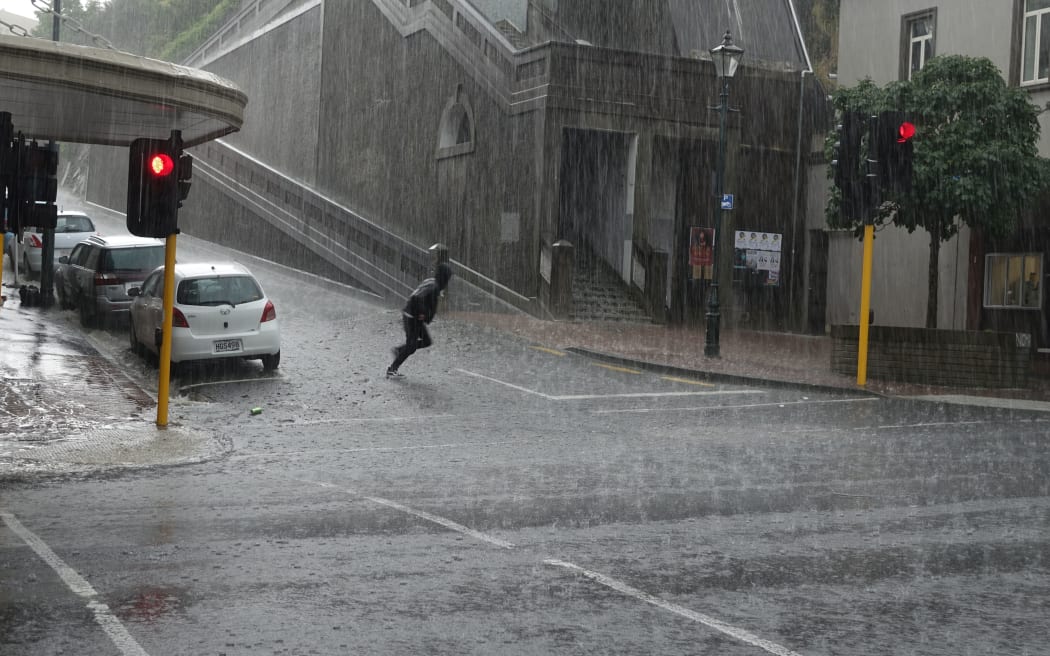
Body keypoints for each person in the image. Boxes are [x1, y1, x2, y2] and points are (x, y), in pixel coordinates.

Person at [387, 262, 453, 378]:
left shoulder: (431, 282)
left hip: (414, 317)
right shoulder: (434, 286)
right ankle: (392, 369)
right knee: (411, 346)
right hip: (412, 317)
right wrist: (422, 313)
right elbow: (417, 298)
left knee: (426, 341)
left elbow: (419, 296)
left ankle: (400, 350)